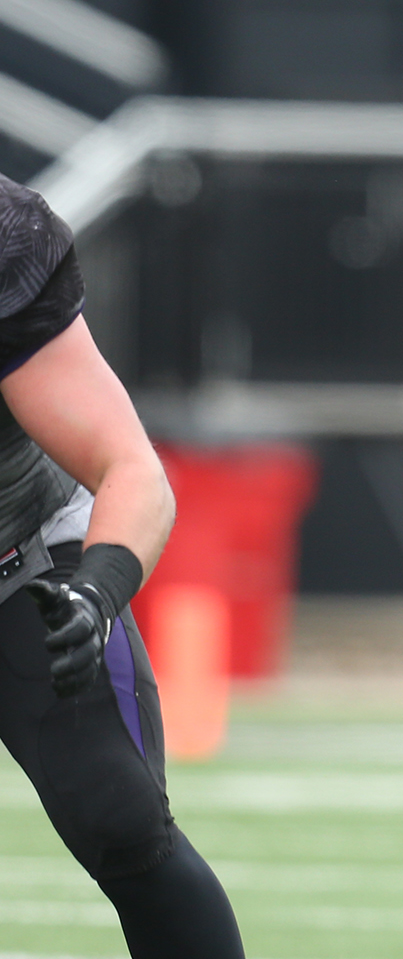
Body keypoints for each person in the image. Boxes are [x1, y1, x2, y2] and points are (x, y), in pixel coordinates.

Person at [0, 176, 246, 958]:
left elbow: (130, 469)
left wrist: (93, 591)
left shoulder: (6, 243)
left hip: (20, 559)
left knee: (122, 819)